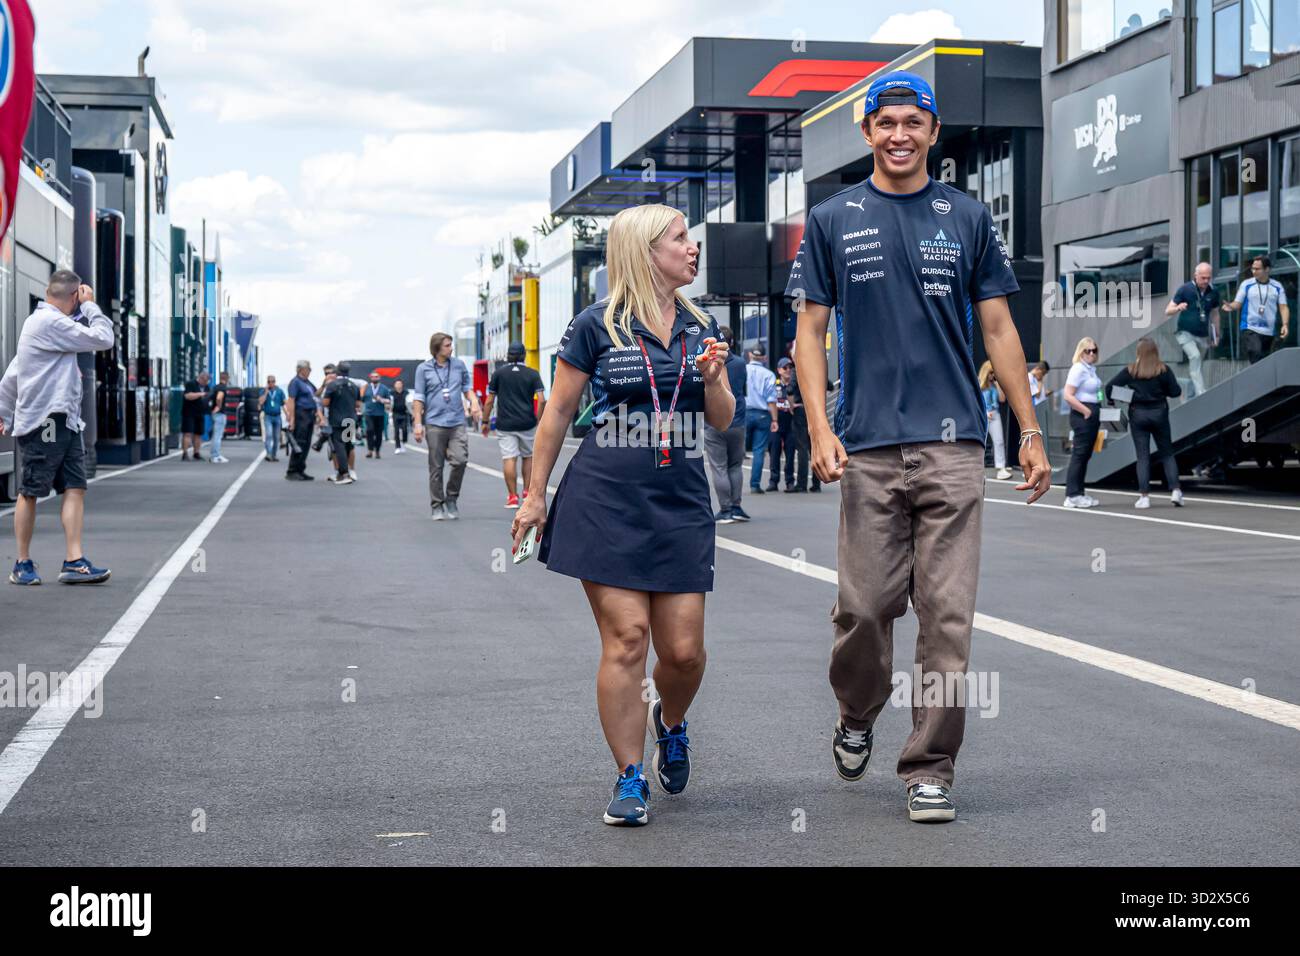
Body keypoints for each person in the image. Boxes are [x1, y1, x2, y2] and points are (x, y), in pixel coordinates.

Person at [788, 71, 1049, 824]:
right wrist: (818, 425)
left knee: (948, 620)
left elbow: (998, 329)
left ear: (934, 133)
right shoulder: (834, 218)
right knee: (865, 609)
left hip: (955, 447)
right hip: (866, 447)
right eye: (886, 122)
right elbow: (809, 334)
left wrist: (1028, 431)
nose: (899, 134)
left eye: (914, 122)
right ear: (866, 132)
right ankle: (858, 711)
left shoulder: (965, 217)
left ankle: (929, 766)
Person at [510, 203, 735, 827]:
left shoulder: (700, 322)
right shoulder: (595, 325)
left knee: (685, 652)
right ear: (645, 251)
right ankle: (629, 777)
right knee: (628, 638)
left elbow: (721, 418)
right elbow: (555, 413)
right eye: (680, 239)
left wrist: (714, 379)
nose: (693, 248)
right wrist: (536, 494)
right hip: (605, 496)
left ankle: (672, 721)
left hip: (682, 497)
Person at [0, 270, 115, 585]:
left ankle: (74, 560)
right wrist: (91, 306)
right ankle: (22, 563)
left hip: (65, 420)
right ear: (74, 295)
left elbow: (14, 371)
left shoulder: (47, 325)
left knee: (74, 487)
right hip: (44, 420)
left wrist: (4, 410)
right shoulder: (48, 323)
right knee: (31, 491)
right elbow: (104, 337)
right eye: (79, 296)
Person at [1106, 337, 1184, 508]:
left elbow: (1109, 387)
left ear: (1138, 352)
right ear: (1155, 351)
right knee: (1167, 453)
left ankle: (1144, 497)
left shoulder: (1131, 371)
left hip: (1138, 415)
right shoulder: (1163, 370)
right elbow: (1175, 392)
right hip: (1159, 413)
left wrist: (1115, 400)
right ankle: (1176, 491)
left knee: (1142, 456)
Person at [414, 332, 481, 520]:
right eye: (447, 345)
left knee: (460, 460)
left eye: (451, 345)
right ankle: (437, 504)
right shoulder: (423, 369)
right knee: (436, 467)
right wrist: (418, 424)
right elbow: (419, 397)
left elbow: (467, 388)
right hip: (434, 423)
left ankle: (451, 498)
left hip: (457, 421)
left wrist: (474, 402)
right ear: (436, 348)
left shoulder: (458, 365)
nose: (451, 348)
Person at [482, 341, 546, 509]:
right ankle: (526, 492)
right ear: (524, 355)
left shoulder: (498, 374)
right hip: (527, 422)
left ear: (508, 355)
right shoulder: (533, 374)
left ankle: (512, 497)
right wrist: (538, 420)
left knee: (509, 458)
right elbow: (541, 400)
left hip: (505, 424)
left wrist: (485, 421)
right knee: (528, 457)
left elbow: (489, 400)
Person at [701, 325, 749, 522]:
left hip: (714, 422)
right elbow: (743, 388)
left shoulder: (711, 362)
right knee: (735, 465)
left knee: (719, 467)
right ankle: (737, 507)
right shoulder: (740, 363)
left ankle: (726, 509)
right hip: (738, 420)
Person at [1222, 254, 1289, 365]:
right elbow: (1238, 303)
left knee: (1266, 361)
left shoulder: (1277, 286)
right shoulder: (1247, 284)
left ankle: (1260, 381)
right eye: (1252, 268)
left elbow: (1283, 307)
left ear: (1267, 269)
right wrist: (1231, 306)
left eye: (1257, 269)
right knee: (1255, 352)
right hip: (1250, 328)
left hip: (1269, 331)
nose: (1253, 271)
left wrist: (1285, 324)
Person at [1167, 261, 1220, 395]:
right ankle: (1201, 392)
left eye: (1209, 277)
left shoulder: (1214, 291)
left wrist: (1216, 334)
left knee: (1197, 365)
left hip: (1203, 334)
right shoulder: (1185, 289)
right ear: (1195, 276)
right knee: (1195, 357)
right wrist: (1178, 307)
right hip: (1184, 332)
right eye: (1203, 278)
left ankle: (1188, 391)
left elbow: (1215, 314)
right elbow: (1168, 310)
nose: (1206, 280)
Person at [1063, 337, 1103, 508]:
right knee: (1079, 454)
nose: (1092, 354)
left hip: (1091, 412)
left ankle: (1079, 492)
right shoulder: (1078, 369)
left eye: (1094, 350)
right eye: (1088, 350)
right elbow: (1067, 395)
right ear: (1081, 352)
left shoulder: (1090, 369)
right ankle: (1072, 495)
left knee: (1085, 455)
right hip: (1083, 414)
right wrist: (1085, 411)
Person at [786, 344, 821, 494]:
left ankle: (801, 483)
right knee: (814, 446)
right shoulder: (815, 369)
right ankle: (816, 483)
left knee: (802, 447)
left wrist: (792, 405)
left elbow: (789, 389)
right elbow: (830, 385)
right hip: (814, 410)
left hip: (800, 409)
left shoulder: (797, 370)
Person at [744, 343, 779, 494]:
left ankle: (732, 484)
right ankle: (754, 484)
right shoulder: (769, 374)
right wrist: (775, 420)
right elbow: (771, 399)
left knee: (738, 449)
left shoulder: (742, 369)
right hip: (763, 414)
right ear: (764, 357)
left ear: (750, 355)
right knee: (759, 450)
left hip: (744, 413)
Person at [321, 361, 361, 485]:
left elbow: (325, 403)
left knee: (339, 447)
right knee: (348, 445)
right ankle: (346, 471)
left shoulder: (332, 385)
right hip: (350, 419)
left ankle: (344, 474)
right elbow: (358, 404)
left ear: (338, 371)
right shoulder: (353, 385)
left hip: (337, 420)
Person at [284, 360, 321, 481]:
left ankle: (300, 469)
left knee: (306, 443)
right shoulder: (295, 382)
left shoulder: (308, 383)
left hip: (309, 414)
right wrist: (292, 419)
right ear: (301, 370)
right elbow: (291, 400)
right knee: (299, 443)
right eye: (308, 369)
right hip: (301, 414)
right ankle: (292, 470)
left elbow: (316, 395)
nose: (310, 371)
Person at [978, 361, 1012, 480]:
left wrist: (998, 382)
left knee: (999, 441)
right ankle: (978, 469)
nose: (992, 375)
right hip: (983, 415)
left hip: (995, 414)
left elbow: (1002, 399)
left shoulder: (994, 385)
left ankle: (1001, 468)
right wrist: (984, 412)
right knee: (980, 442)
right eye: (991, 372)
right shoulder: (979, 383)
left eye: (994, 372)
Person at [768, 358, 796, 491]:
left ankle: (790, 482)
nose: (788, 370)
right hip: (777, 419)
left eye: (790, 367)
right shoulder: (774, 384)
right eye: (785, 368)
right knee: (774, 452)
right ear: (779, 370)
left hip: (791, 421)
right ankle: (773, 481)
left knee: (790, 453)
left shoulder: (795, 384)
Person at [180, 371, 209, 461]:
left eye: (207, 381)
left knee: (198, 434)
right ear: (200, 378)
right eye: (204, 381)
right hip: (189, 413)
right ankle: (185, 453)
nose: (205, 383)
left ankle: (196, 453)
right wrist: (200, 394)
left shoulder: (206, 387)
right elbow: (187, 396)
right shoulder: (191, 384)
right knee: (187, 433)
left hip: (200, 413)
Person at [362, 371, 391, 459]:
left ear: (379, 378)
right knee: (370, 430)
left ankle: (377, 451)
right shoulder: (366, 387)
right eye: (373, 377)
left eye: (376, 377)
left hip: (380, 413)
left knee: (379, 433)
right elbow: (361, 398)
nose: (375, 378)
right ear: (370, 378)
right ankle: (370, 450)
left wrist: (381, 399)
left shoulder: (384, 388)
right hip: (369, 413)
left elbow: (389, 401)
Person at [258, 374, 285, 462]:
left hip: (277, 416)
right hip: (268, 416)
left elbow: (284, 404)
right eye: (269, 382)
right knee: (269, 435)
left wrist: (288, 415)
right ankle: (268, 454)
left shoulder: (280, 391)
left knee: (276, 437)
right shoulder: (263, 391)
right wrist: (266, 392)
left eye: (272, 381)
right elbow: (261, 402)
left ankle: (274, 454)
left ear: (275, 382)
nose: (271, 383)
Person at [208, 371, 230, 463]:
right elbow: (219, 397)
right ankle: (215, 455)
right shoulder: (222, 387)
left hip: (214, 414)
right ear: (227, 378)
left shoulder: (215, 387)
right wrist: (219, 407)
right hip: (220, 414)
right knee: (218, 436)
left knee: (215, 435)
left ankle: (214, 454)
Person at [390, 379, 410, 453]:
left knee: (405, 429)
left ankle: (404, 442)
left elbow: (410, 402)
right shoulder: (392, 393)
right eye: (397, 384)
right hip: (395, 413)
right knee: (396, 431)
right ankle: (397, 446)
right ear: (395, 385)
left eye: (400, 384)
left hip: (404, 413)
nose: (398, 385)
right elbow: (389, 403)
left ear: (402, 385)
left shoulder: (406, 392)